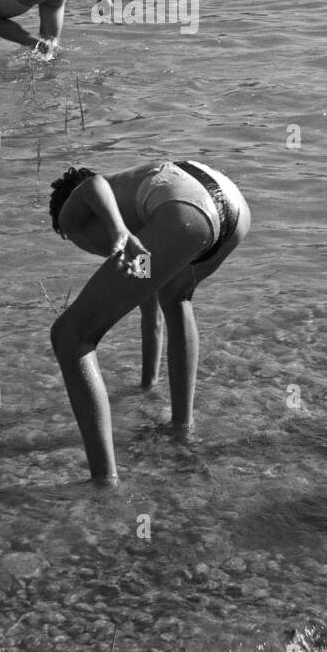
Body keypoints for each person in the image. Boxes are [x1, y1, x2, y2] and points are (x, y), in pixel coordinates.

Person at [47, 160, 251, 484]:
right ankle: (182, 430)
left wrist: (119, 232)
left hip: (185, 205)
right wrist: (146, 387)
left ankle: (104, 483)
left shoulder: (71, 217)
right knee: (175, 297)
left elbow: (92, 185)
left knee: (70, 337)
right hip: (232, 207)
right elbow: (151, 314)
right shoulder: (139, 215)